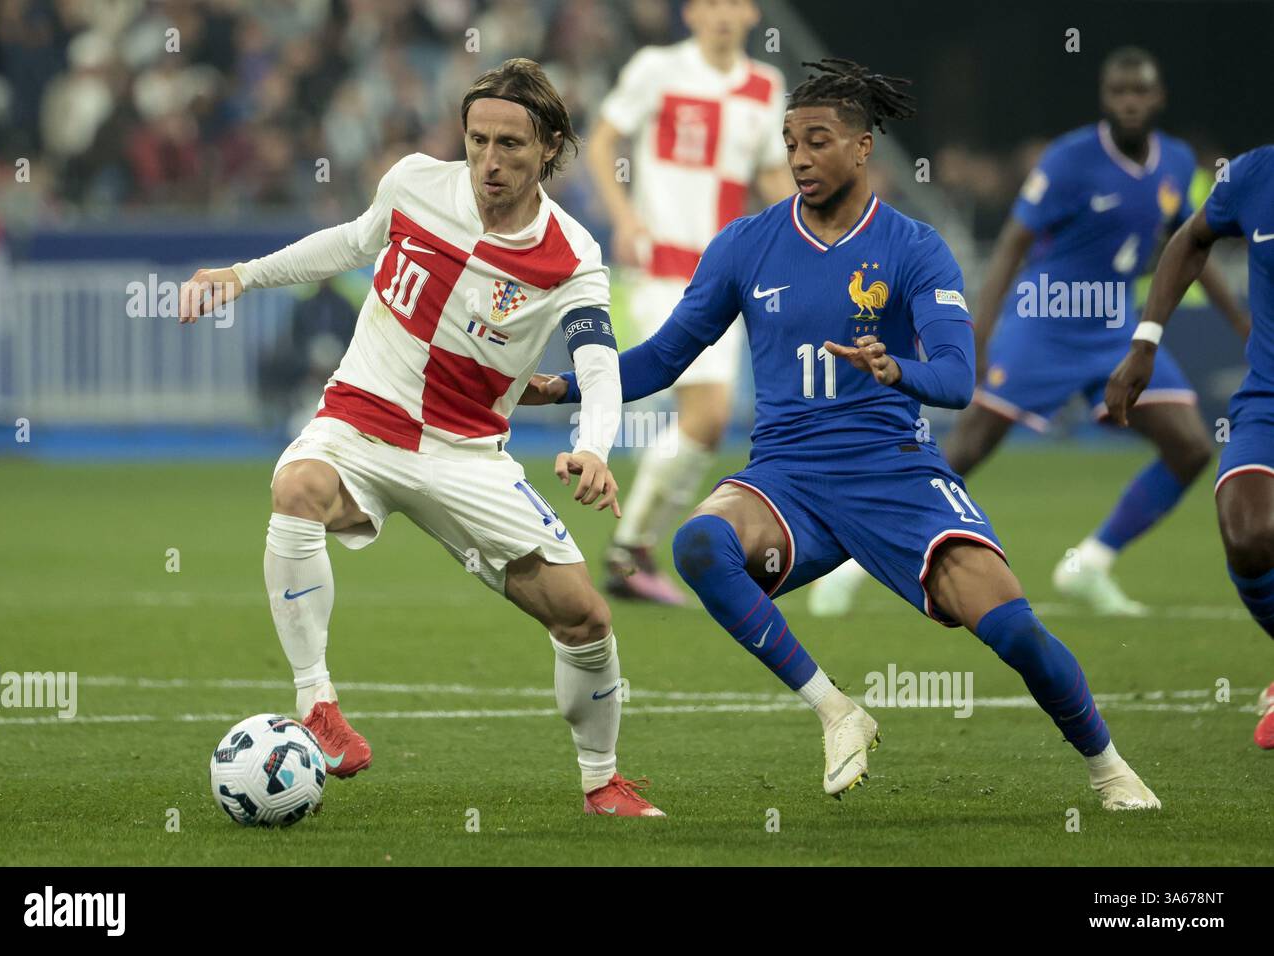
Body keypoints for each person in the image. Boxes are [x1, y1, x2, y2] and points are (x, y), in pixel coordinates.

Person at [525, 59, 1159, 810]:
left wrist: (898, 370)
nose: (798, 157)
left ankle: (1109, 768)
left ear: (863, 149)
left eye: (817, 141)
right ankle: (837, 710)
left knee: (1015, 632)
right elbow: (666, 355)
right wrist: (569, 384)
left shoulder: (913, 247)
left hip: (892, 473)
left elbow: (958, 379)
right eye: (790, 141)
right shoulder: (744, 244)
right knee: (699, 545)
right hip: (787, 480)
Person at [178, 58, 663, 817]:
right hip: (361, 422)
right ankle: (319, 707)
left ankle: (601, 780)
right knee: (295, 486)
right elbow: (348, 243)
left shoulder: (572, 256)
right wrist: (242, 275)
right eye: (477, 140)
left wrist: (594, 445)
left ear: (550, 147)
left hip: (466, 455)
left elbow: (599, 367)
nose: (490, 161)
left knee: (585, 616)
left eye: (511, 144)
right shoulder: (412, 184)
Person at [809, 47, 1249, 618]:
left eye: (1141, 92)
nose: (1131, 103)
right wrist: (979, 332)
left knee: (1190, 448)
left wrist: (1241, 320)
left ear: (1158, 98)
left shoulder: (1176, 163)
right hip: (1043, 325)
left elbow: (1188, 245)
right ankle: (851, 562)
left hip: (1115, 330)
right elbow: (1014, 242)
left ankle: (1089, 563)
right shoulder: (1070, 160)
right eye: (1120, 93)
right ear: (1105, 98)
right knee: (965, 451)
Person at [586, 0, 795, 604]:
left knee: (708, 422)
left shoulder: (766, 86)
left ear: (753, 15)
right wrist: (623, 216)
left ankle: (635, 551)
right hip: (660, 263)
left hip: (723, 271)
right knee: (707, 411)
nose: (724, 14)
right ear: (693, 13)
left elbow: (774, 176)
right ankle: (630, 550)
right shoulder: (657, 67)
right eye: (711, 3)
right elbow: (602, 142)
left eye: (735, 3)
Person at [1106, 144, 1274, 749]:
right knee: (1249, 533)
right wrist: (1145, 342)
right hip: (1268, 401)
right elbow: (1188, 239)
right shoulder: (1256, 175)